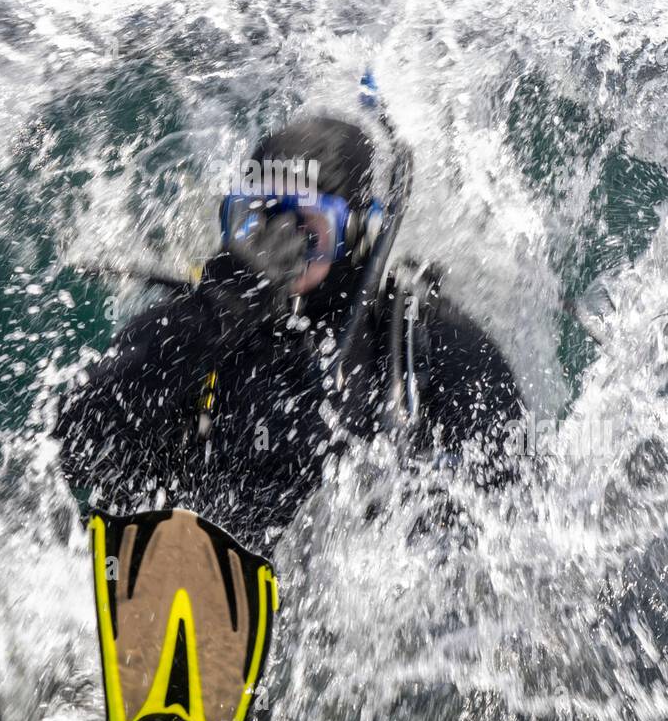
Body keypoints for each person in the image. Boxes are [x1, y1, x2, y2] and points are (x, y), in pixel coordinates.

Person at [54, 115, 525, 553]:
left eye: (308, 229)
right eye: (257, 219)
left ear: (357, 234)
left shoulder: (427, 341)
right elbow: (73, 448)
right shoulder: (199, 321)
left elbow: (513, 520)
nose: (279, 245)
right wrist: (218, 310)